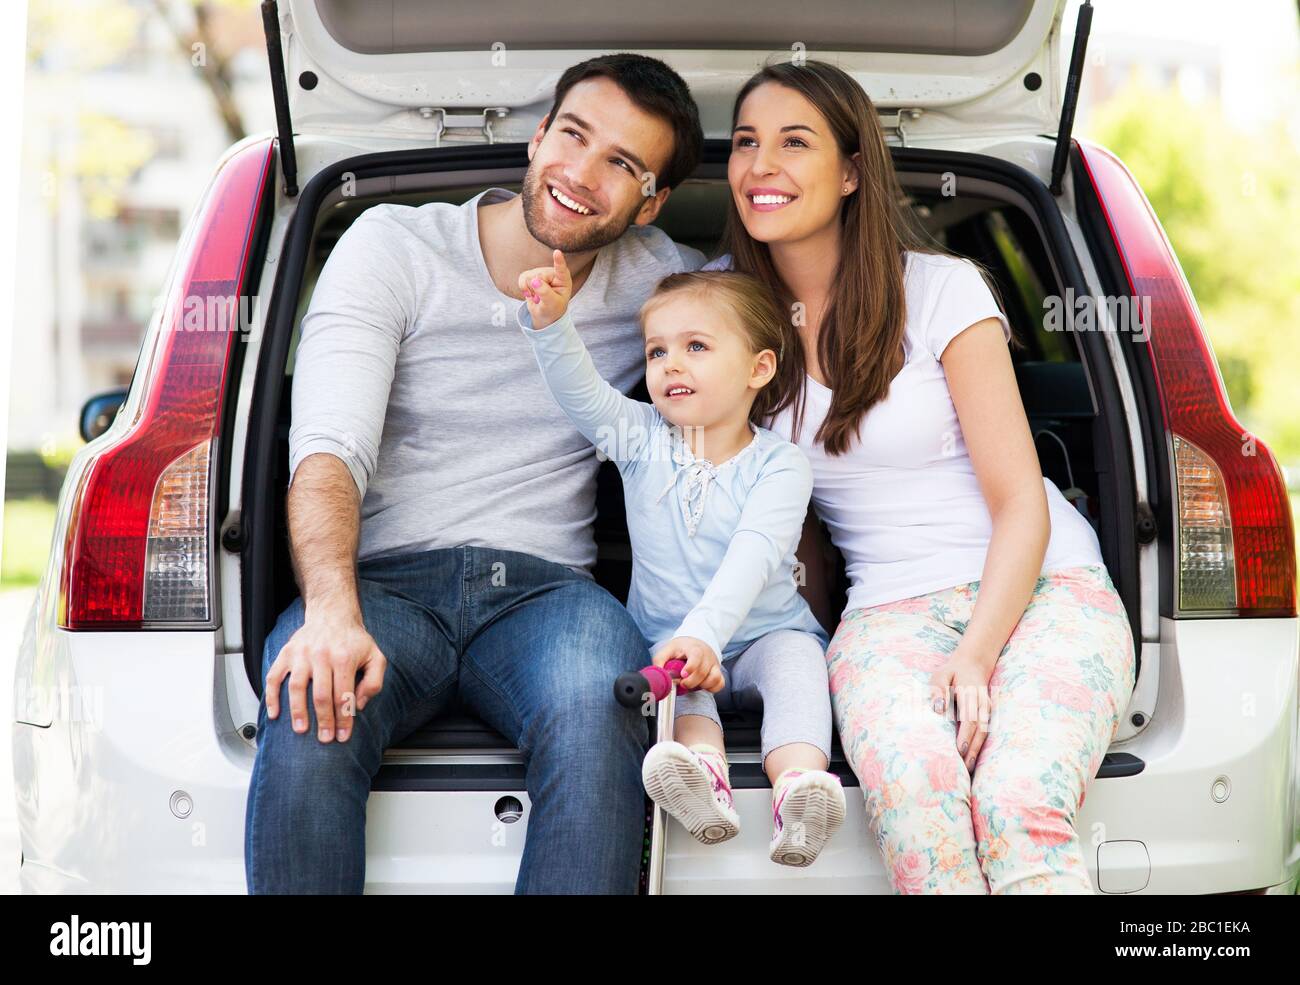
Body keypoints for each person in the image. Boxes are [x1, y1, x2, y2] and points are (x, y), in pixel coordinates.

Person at [245, 53, 706, 894]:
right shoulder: (394, 245)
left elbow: (782, 314)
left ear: (651, 202)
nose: (582, 174)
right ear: (538, 136)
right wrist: (331, 611)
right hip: (383, 587)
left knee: (605, 702)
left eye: (622, 164)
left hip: (548, 597)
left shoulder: (660, 277)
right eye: (574, 136)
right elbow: (328, 448)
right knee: (310, 695)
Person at [705, 59, 1136, 893]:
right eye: (746, 142)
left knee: (1015, 805)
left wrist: (975, 655)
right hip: (884, 615)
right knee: (919, 812)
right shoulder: (719, 310)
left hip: (1044, 587)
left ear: (852, 171)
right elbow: (772, 515)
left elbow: (1021, 503)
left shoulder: (942, 290)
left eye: (794, 143)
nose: (761, 166)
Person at [517, 254, 846, 866]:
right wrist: (553, 323)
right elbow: (581, 393)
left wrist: (705, 636)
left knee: (800, 665)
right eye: (656, 351)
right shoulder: (639, 439)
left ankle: (798, 789)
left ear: (759, 368)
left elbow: (754, 555)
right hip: (672, 644)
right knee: (679, 694)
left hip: (766, 634)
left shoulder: (780, 464)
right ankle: (702, 778)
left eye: (696, 346)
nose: (670, 364)